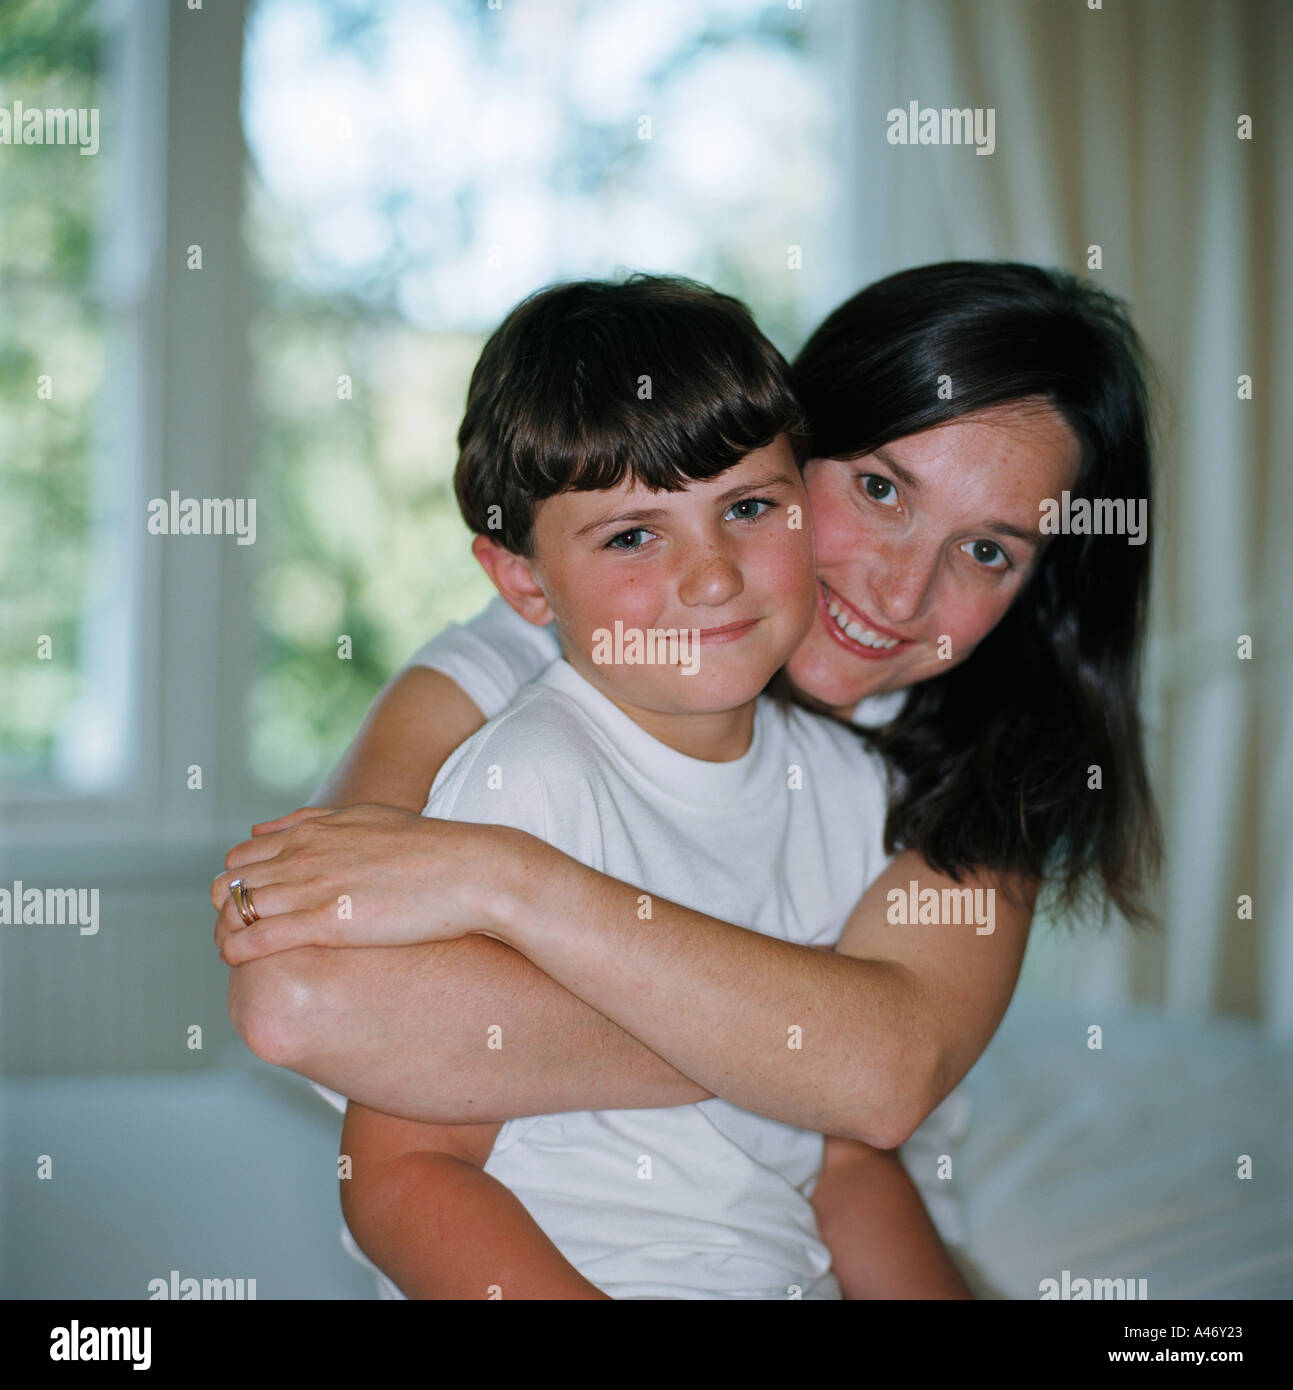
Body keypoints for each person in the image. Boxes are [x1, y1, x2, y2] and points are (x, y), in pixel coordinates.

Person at [213, 260, 1161, 1299]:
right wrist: (802, 1036)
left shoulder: (957, 767)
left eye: (987, 549)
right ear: (800, 443)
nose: (900, 589)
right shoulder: (554, 679)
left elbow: (872, 1104)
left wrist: (508, 882)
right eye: (881, 488)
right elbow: (311, 997)